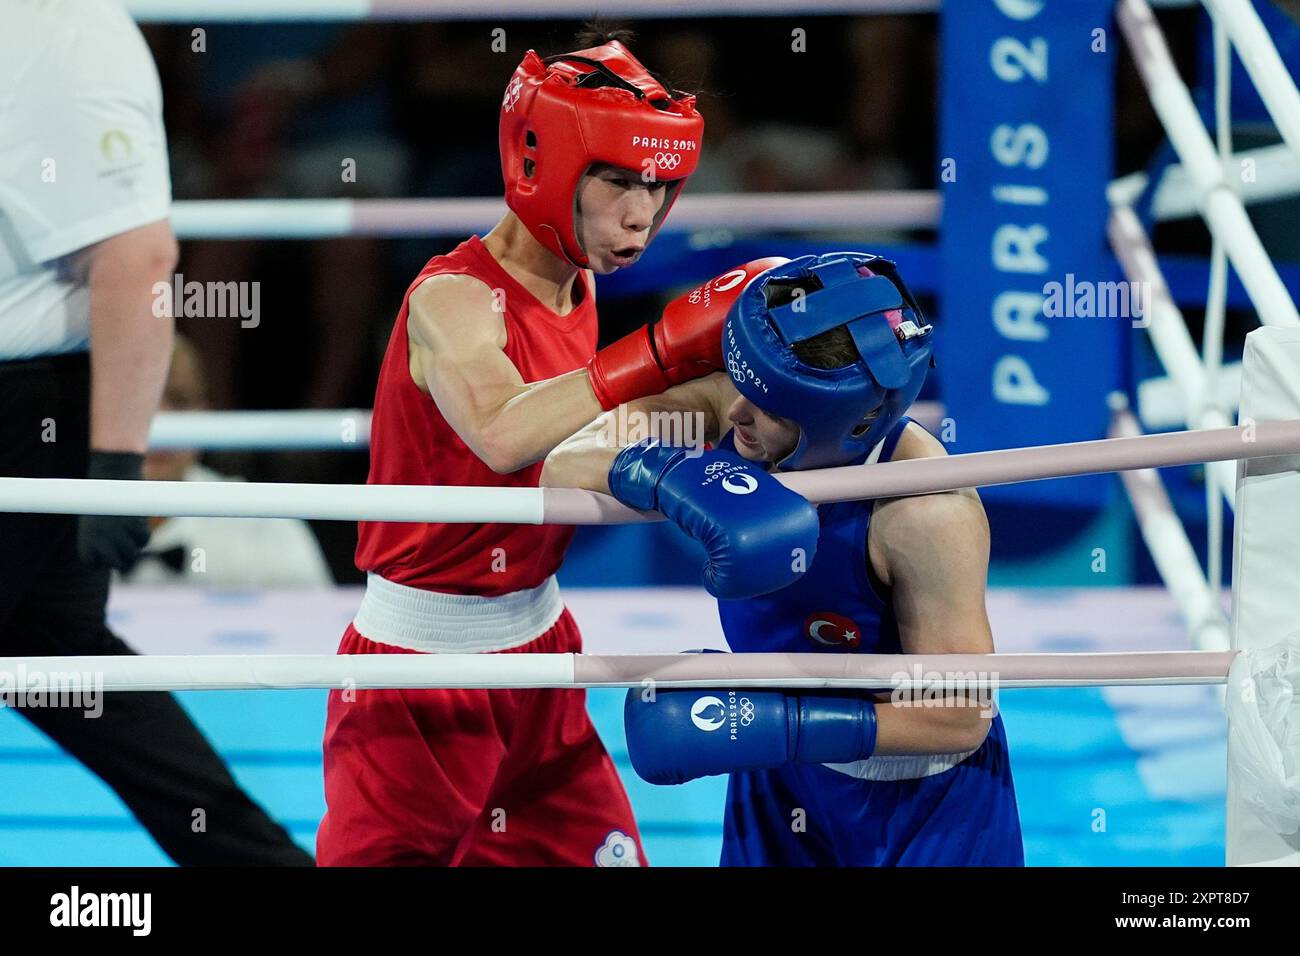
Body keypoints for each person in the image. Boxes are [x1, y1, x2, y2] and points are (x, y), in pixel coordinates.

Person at [317, 28, 783, 866]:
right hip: (422, 673)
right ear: (546, 165)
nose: (641, 214)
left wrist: (722, 395)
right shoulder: (452, 300)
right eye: (616, 181)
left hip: (541, 650)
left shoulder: (580, 281)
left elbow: (567, 439)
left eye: (660, 184)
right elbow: (501, 433)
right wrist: (661, 351)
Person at [541, 252, 1024, 866]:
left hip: (922, 799)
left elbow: (960, 716)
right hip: (782, 775)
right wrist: (666, 473)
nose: (736, 413)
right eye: (741, 387)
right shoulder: (750, 400)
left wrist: (780, 723)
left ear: (848, 421)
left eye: (769, 409)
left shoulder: (926, 509)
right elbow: (568, 457)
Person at [0, 0, 310, 864]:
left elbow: (138, 258)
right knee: (68, 665)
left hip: (25, 406)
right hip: (35, 398)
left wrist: (113, 468)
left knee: (70, 663)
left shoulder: (58, 33)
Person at [121, 336, 334, 589]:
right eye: (140, 401)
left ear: (207, 413)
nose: (162, 423)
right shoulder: (67, 515)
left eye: (180, 401)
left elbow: (314, 625)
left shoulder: (262, 523)